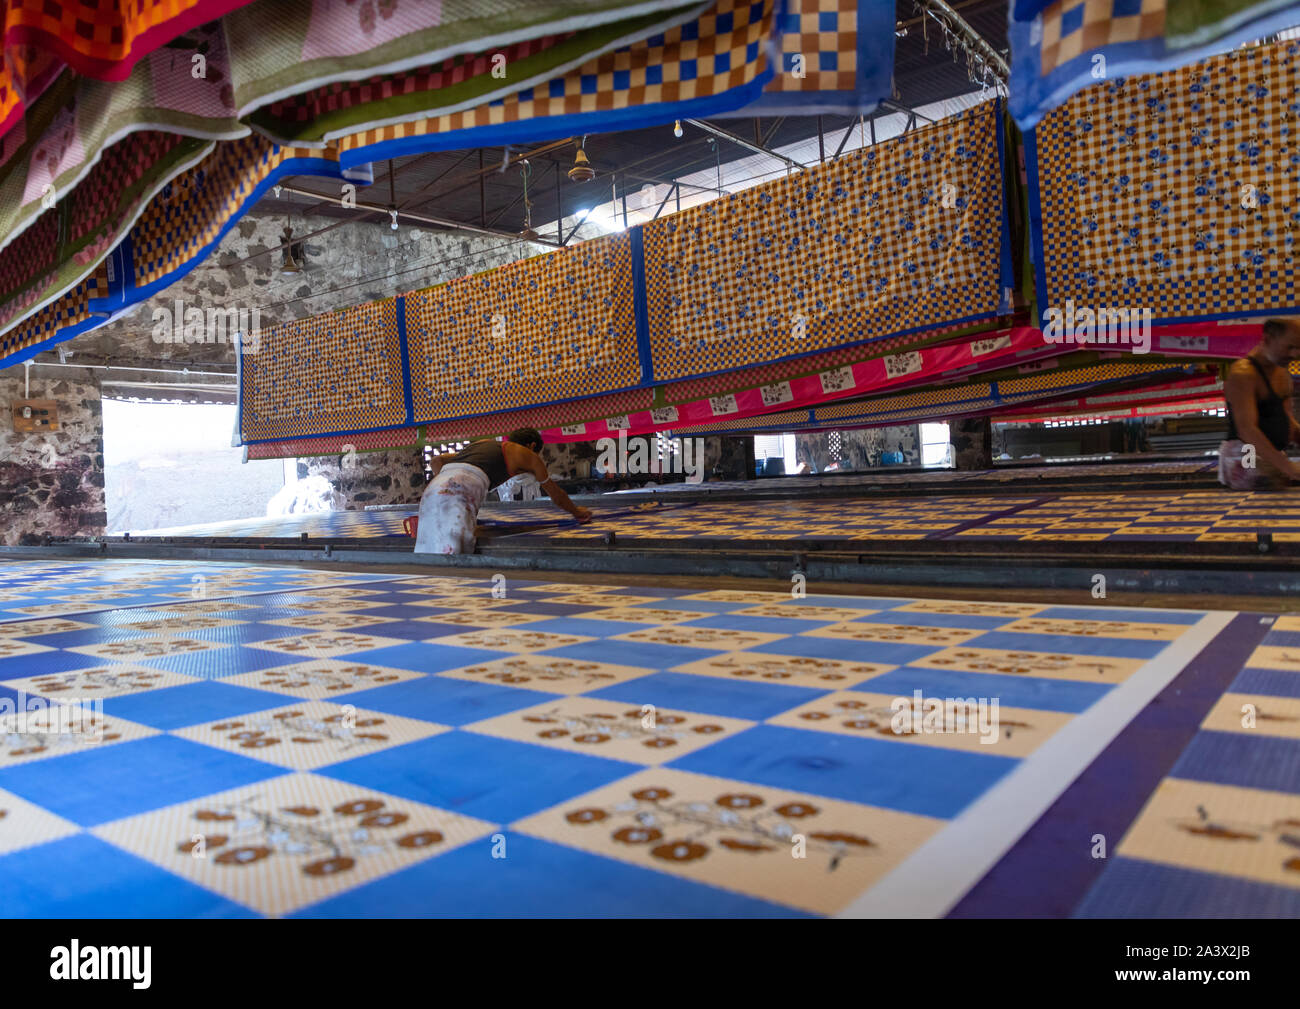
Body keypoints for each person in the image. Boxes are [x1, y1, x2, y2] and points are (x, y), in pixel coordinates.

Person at [414, 428, 592, 554]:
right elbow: (556, 495)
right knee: (456, 551)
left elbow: (437, 461)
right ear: (531, 446)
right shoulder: (527, 455)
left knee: (429, 547)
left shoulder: (484, 445)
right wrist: (578, 513)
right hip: (461, 491)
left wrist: (447, 489)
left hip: (432, 490)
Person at [1218, 318, 1300, 490]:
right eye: (1290, 347)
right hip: (1244, 453)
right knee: (1268, 479)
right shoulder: (1243, 373)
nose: (1294, 354)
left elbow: (1288, 420)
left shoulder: (1282, 373)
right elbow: (1247, 430)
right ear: (1268, 340)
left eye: (1298, 348)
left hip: (1271, 453)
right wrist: (1287, 467)